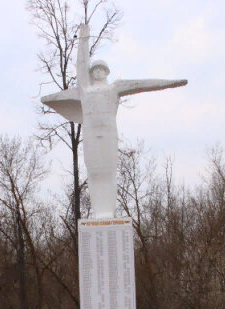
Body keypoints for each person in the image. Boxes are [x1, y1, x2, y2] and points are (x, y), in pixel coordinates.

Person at [41, 23, 187, 218]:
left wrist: (170, 83)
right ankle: (97, 211)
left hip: (108, 133)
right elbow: (81, 64)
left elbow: (142, 84)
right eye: (95, 69)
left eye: (102, 69)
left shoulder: (114, 88)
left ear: (107, 72)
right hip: (91, 133)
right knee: (94, 171)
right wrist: (83, 39)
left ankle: (108, 211)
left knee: (109, 170)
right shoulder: (84, 90)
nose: (98, 72)